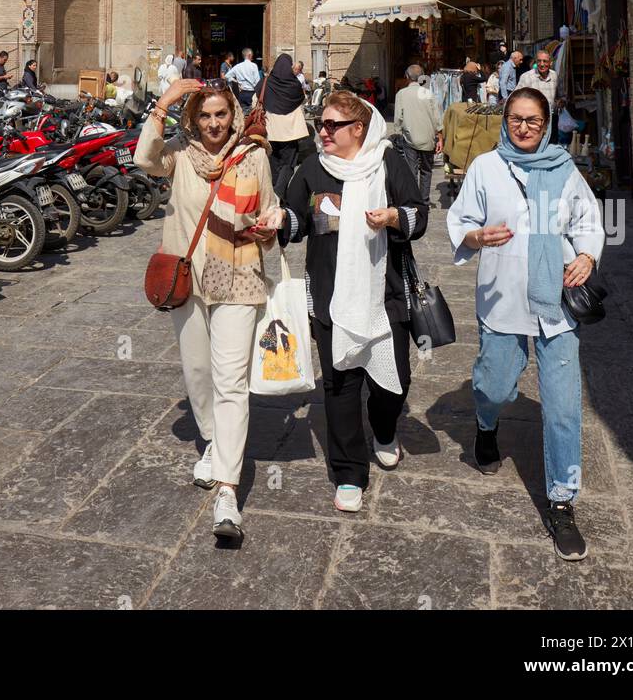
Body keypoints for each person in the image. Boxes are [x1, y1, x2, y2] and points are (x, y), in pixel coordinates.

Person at [446, 86, 604, 561]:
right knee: (494, 386)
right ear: (505, 119)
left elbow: (589, 221)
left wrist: (586, 256)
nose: (524, 128)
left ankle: (561, 501)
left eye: (533, 120)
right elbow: (460, 221)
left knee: (561, 408)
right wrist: (475, 236)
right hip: (502, 300)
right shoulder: (485, 168)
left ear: (547, 122)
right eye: (516, 118)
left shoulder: (564, 168)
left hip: (555, 304)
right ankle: (486, 425)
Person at [259, 92, 427, 513]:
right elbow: (297, 220)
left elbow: (418, 214)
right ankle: (349, 472)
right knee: (340, 387)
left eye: (334, 125)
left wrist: (393, 217)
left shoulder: (388, 163)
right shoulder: (313, 169)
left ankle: (385, 429)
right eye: (322, 123)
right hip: (330, 296)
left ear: (360, 129)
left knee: (396, 382)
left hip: (385, 294)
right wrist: (279, 220)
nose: (323, 131)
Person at [135, 77, 278, 542]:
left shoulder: (252, 154)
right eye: (205, 116)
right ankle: (215, 440)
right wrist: (165, 102)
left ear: (232, 115)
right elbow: (143, 159)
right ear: (194, 119)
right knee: (198, 372)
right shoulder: (178, 154)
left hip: (238, 275)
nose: (215, 124)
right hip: (188, 279)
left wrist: (268, 227)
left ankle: (228, 492)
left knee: (231, 382)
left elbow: (269, 209)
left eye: (221, 115)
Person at [393, 66, 443, 208]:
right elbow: (437, 117)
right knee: (426, 170)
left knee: (411, 170)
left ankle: (413, 201)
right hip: (428, 138)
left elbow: (398, 119)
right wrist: (440, 137)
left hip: (410, 138)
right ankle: (424, 202)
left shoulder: (401, 94)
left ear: (407, 76)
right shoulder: (428, 93)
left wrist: (397, 133)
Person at [260, 53, 308, 199]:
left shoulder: (266, 82)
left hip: (271, 130)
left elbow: (256, 98)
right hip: (290, 132)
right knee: (288, 163)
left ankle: (273, 190)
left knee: (273, 162)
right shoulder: (294, 85)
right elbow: (302, 98)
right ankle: (279, 193)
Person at [515, 49, 560, 139]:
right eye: (539, 61)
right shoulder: (527, 77)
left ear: (550, 63)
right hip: (533, 121)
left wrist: (561, 101)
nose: (542, 64)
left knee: (552, 145)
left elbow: (561, 95)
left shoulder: (555, 76)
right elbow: (517, 98)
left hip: (552, 119)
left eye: (545, 61)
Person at [225, 47, 261, 111]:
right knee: (253, 114)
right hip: (252, 93)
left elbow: (227, 76)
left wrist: (236, 81)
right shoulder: (254, 66)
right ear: (250, 55)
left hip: (242, 94)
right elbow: (258, 81)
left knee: (243, 114)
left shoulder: (238, 66)